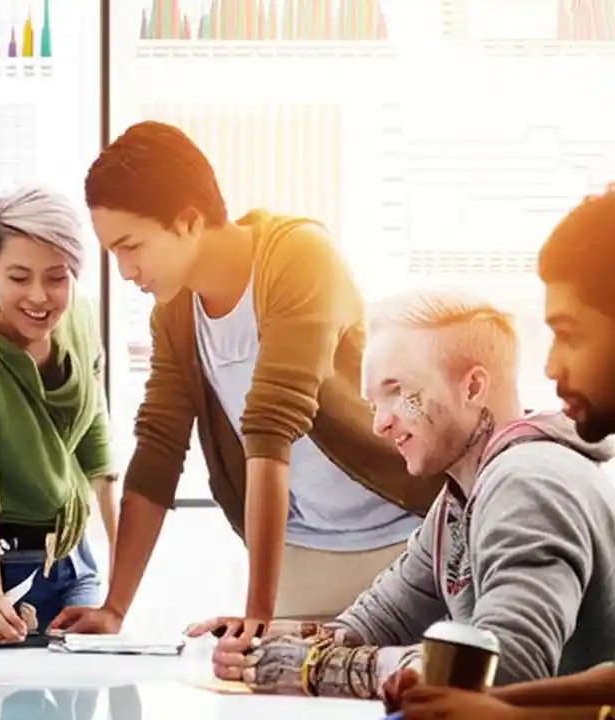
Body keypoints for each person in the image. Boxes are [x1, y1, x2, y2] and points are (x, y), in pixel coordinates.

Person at [51, 120, 443, 639]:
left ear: (189, 222)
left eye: (131, 246)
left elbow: (269, 428)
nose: (125, 270)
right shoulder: (174, 314)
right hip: (304, 556)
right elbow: (159, 450)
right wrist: (114, 609)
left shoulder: (298, 257)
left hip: (406, 537)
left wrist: (256, 614)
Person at [196, 289, 615, 710]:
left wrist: (317, 666)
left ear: (472, 387)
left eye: (396, 391)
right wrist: (269, 637)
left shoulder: (528, 483)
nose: (380, 424)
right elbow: (380, 619)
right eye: (374, 403)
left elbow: (502, 670)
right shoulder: (463, 493)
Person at [396, 189, 615, 719]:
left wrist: (509, 714)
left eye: (569, 335)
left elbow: (519, 657)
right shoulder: (455, 504)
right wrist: (482, 703)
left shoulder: (529, 479)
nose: (551, 367)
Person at [0, 186, 118, 642]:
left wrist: (124, 581)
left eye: (56, 277)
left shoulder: (80, 318)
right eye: (18, 277)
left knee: (81, 698)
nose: (39, 296)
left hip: (73, 557)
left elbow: (96, 444)